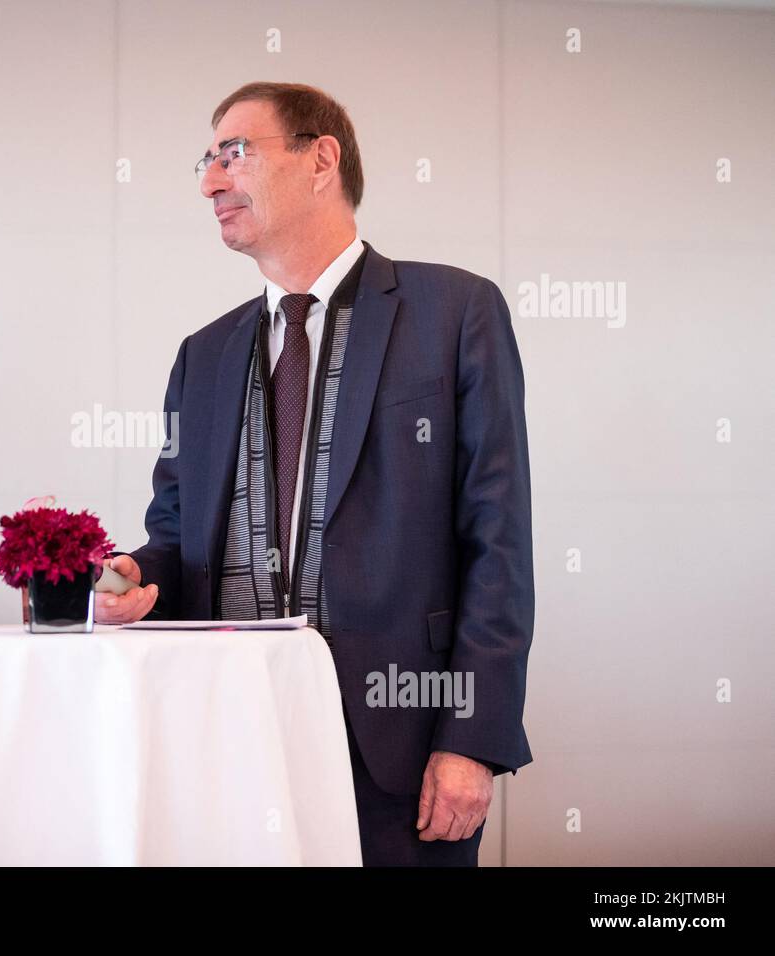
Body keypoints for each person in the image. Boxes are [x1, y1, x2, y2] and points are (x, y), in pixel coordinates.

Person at [96, 83, 534, 866]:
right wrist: (127, 577)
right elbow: (175, 537)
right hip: (226, 738)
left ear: (320, 159)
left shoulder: (456, 311)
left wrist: (472, 738)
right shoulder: (203, 356)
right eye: (206, 160)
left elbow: (497, 542)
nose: (209, 182)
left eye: (235, 152)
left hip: (400, 747)